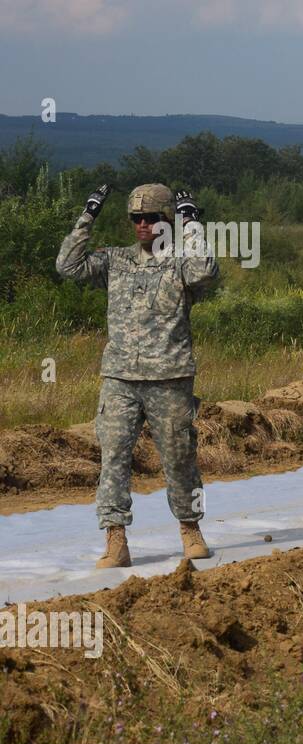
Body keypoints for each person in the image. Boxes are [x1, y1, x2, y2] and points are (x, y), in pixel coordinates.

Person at [55, 183, 220, 568]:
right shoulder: (116, 261)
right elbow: (68, 265)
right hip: (120, 378)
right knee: (113, 457)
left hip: (170, 377)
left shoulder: (180, 262)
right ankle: (115, 539)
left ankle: (190, 529)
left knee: (180, 458)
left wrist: (192, 223)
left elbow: (205, 270)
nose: (143, 225)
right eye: (136, 219)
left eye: (151, 218)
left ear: (167, 222)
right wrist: (88, 215)